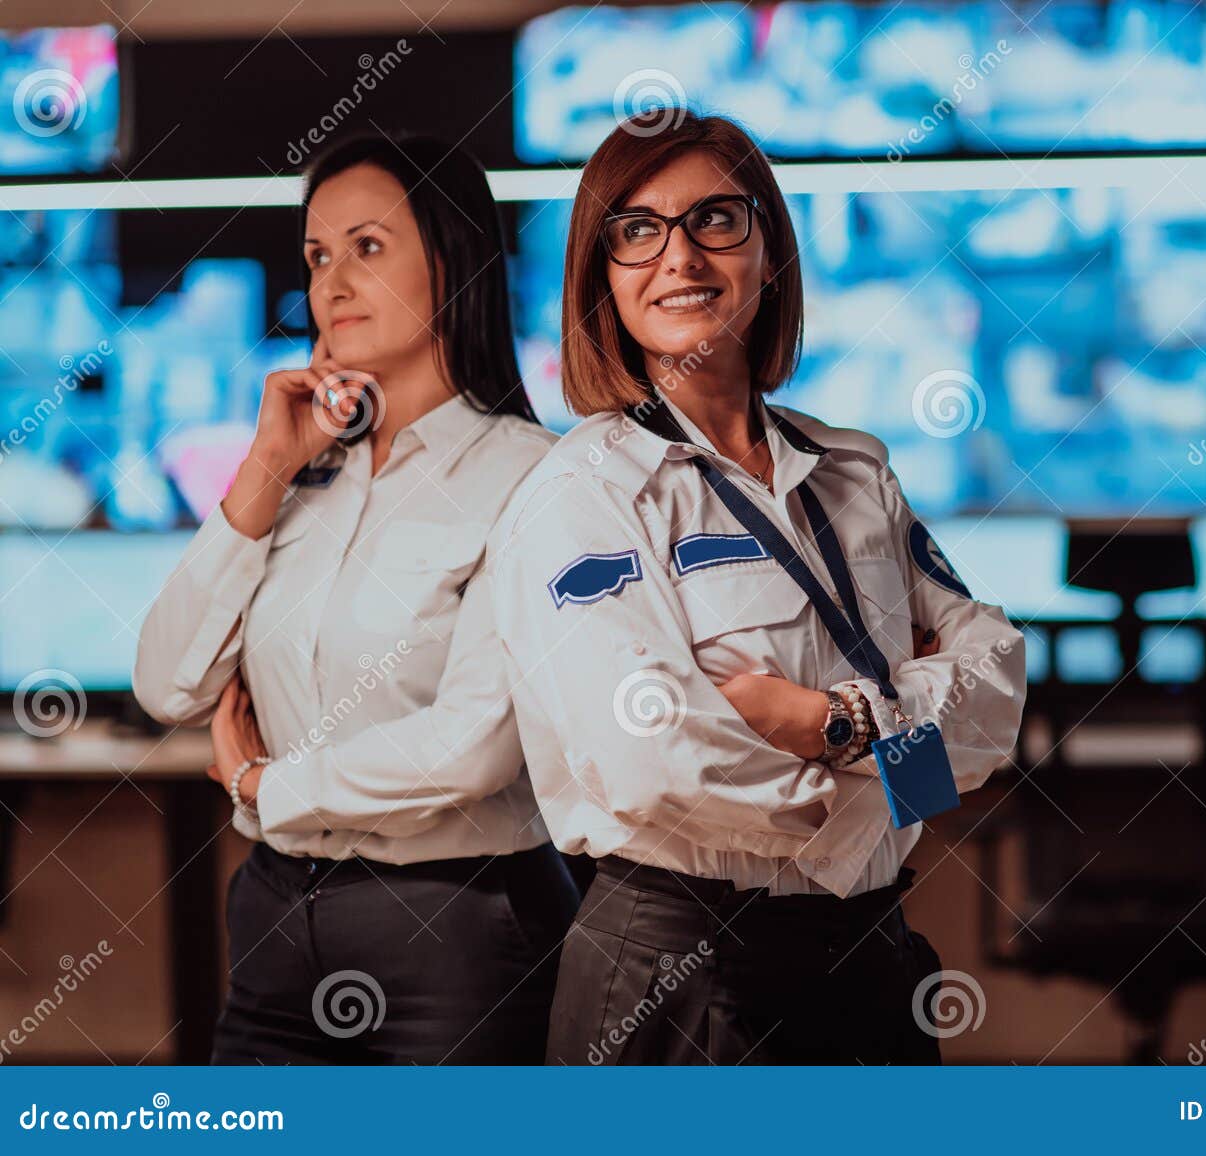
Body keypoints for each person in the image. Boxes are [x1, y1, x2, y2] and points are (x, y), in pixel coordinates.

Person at [488, 111, 1025, 1065]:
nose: (680, 257)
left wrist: (831, 723)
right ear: (600, 278)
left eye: (715, 221)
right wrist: (899, 766)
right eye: (637, 230)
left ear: (768, 250)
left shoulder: (856, 475)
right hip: (681, 975)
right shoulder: (581, 499)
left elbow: (997, 700)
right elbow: (653, 765)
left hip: (870, 959)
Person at [133, 133, 577, 1064]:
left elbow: (471, 746)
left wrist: (264, 785)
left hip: (456, 933)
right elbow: (167, 685)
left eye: (366, 248)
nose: (329, 282)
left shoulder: (534, 479)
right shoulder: (297, 474)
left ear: (454, 259)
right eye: (317, 255)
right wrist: (263, 469)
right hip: (272, 914)